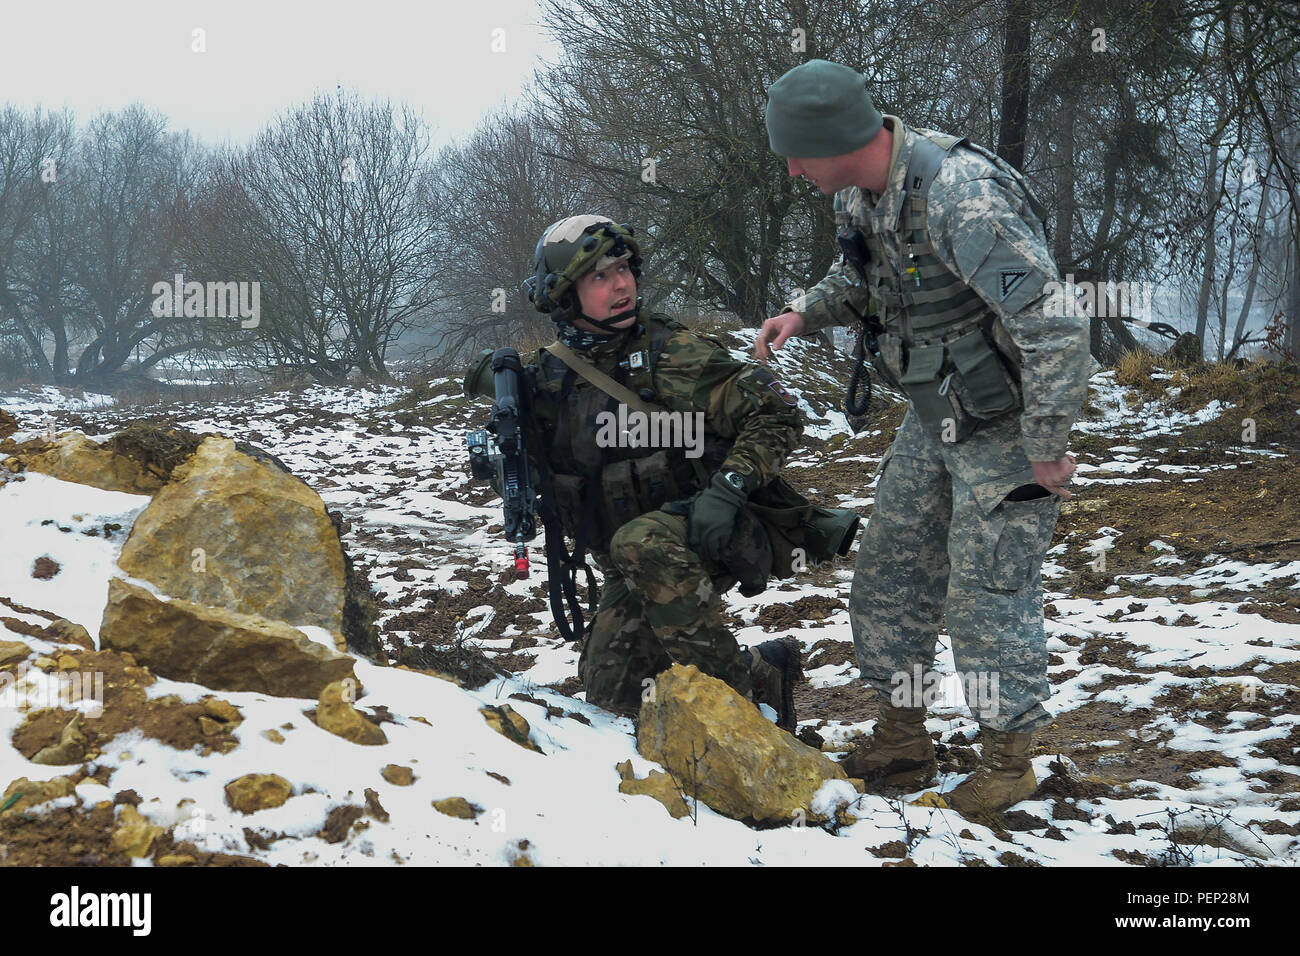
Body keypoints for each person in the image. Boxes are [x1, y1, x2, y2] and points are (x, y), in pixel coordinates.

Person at [756, 60, 1091, 815]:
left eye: (796, 152)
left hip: (1007, 425)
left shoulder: (960, 198)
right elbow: (863, 279)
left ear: (835, 139)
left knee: (986, 589)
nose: (790, 167)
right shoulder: (858, 191)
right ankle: (902, 737)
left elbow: (1058, 324)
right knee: (893, 569)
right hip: (938, 410)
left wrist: (1045, 441)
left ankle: (1008, 763)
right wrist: (804, 312)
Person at [464, 215, 805, 728]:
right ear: (564, 296)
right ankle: (762, 671)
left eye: (624, 268)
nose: (622, 284)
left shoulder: (671, 353)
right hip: (631, 560)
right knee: (614, 693)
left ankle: (744, 721)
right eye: (600, 277)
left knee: (642, 544)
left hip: (713, 528)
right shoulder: (548, 380)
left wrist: (729, 489)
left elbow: (778, 412)